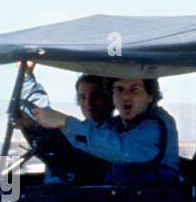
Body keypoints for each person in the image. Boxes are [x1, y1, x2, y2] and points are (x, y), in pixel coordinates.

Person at [30, 76, 183, 183]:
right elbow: (79, 151)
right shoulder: (115, 125)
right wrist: (34, 128)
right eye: (119, 90)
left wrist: (65, 122)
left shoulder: (155, 126)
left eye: (134, 90)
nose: (126, 96)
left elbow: (120, 149)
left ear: (150, 96)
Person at [17, 73, 114, 184]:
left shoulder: (113, 135)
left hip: (75, 196)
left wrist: (35, 129)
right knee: (6, 186)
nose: (88, 103)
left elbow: (76, 163)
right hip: (53, 192)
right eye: (82, 97)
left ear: (110, 98)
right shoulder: (76, 130)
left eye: (95, 96)